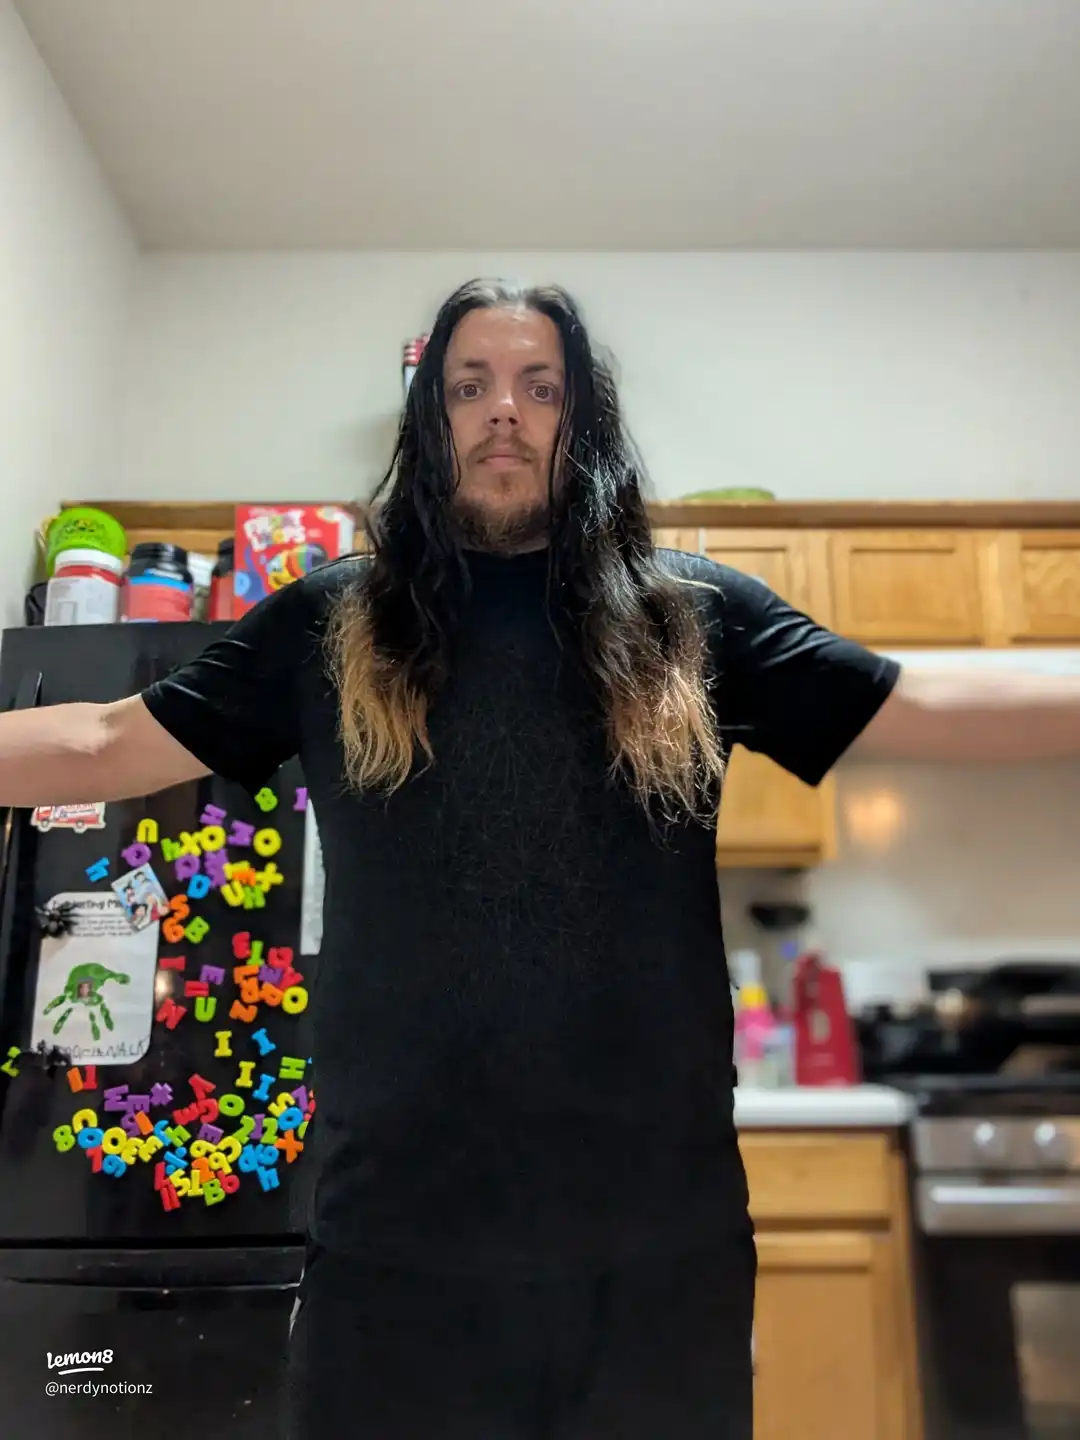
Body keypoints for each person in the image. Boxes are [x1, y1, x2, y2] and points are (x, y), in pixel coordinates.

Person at [4, 280, 1080, 1439]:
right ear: (432, 426)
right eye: (469, 387)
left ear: (583, 422)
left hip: (659, 1263)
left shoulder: (694, 620)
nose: (502, 411)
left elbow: (927, 708)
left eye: (538, 385)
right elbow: (102, 740)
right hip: (395, 1258)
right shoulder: (332, 625)